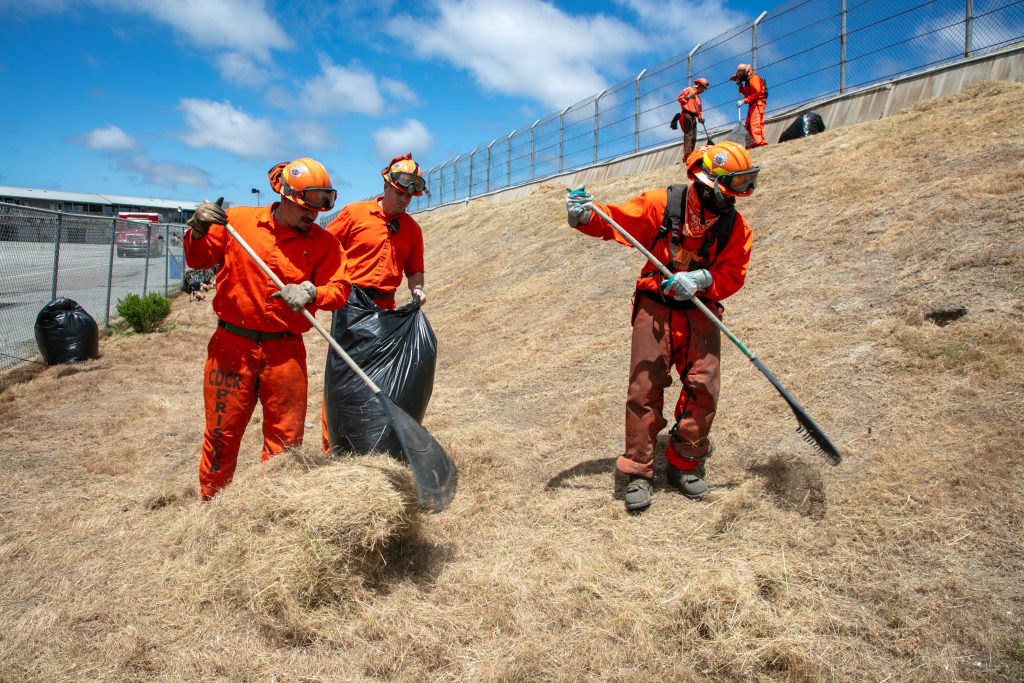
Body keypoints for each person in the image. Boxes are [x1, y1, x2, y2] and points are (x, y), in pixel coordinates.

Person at [565, 141, 759, 512]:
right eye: (733, 185)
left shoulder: (736, 226)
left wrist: (703, 279)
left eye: (743, 184)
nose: (738, 194)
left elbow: (734, 273)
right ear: (708, 182)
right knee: (644, 388)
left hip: (700, 310)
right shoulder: (662, 204)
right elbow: (613, 221)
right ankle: (638, 470)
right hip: (655, 308)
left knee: (704, 385)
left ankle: (685, 462)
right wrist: (581, 215)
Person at [184, 157, 352, 500]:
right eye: (307, 206)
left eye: (320, 206)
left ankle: (268, 508)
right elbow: (197, 259)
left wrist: (312, 291)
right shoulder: (238, 223)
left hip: (285, 352)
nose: (314, 214)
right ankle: (210, 505)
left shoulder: (325, 244)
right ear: (285, 195)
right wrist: (198, 230)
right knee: (222, 434)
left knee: (286, 441)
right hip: (232, 347)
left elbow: (340, 289)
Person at [320, 153, 428, 452]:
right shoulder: (355, 214)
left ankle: (371, 440)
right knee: (343, 373)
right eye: (399, 193)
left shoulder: (412, 230)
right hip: (351, 306)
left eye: (410, 196)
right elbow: (326, 248)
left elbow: (415, 270)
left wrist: (417, 290)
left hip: (386, 309)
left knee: (378, 376)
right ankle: (333, 445)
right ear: (386, 185)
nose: (404, 200)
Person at [730, 63, 768, 149]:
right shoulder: (748, 81)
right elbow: (747, 94)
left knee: (755, 124)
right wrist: (740, 87)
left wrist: (744, 100)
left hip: (758, 103)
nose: (740, 76)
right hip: (752, 104)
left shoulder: (754, 78)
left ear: (745, 71)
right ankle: (751, 145)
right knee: (748, 125)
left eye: (740, 74)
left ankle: (760, 143)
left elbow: (757, 93)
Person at [674, 77, 709, 160]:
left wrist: (701, 118)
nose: (703, 91)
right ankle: (687, 155)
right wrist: (688, 97)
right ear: (699, 85)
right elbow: (679, 99)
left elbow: (699, 111)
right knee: (689, 134)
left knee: (694, 136)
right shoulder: (689, 90)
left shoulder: (698, 99)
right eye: (703, 88)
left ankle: (691, 155)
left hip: (693, 117)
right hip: (686, 114)